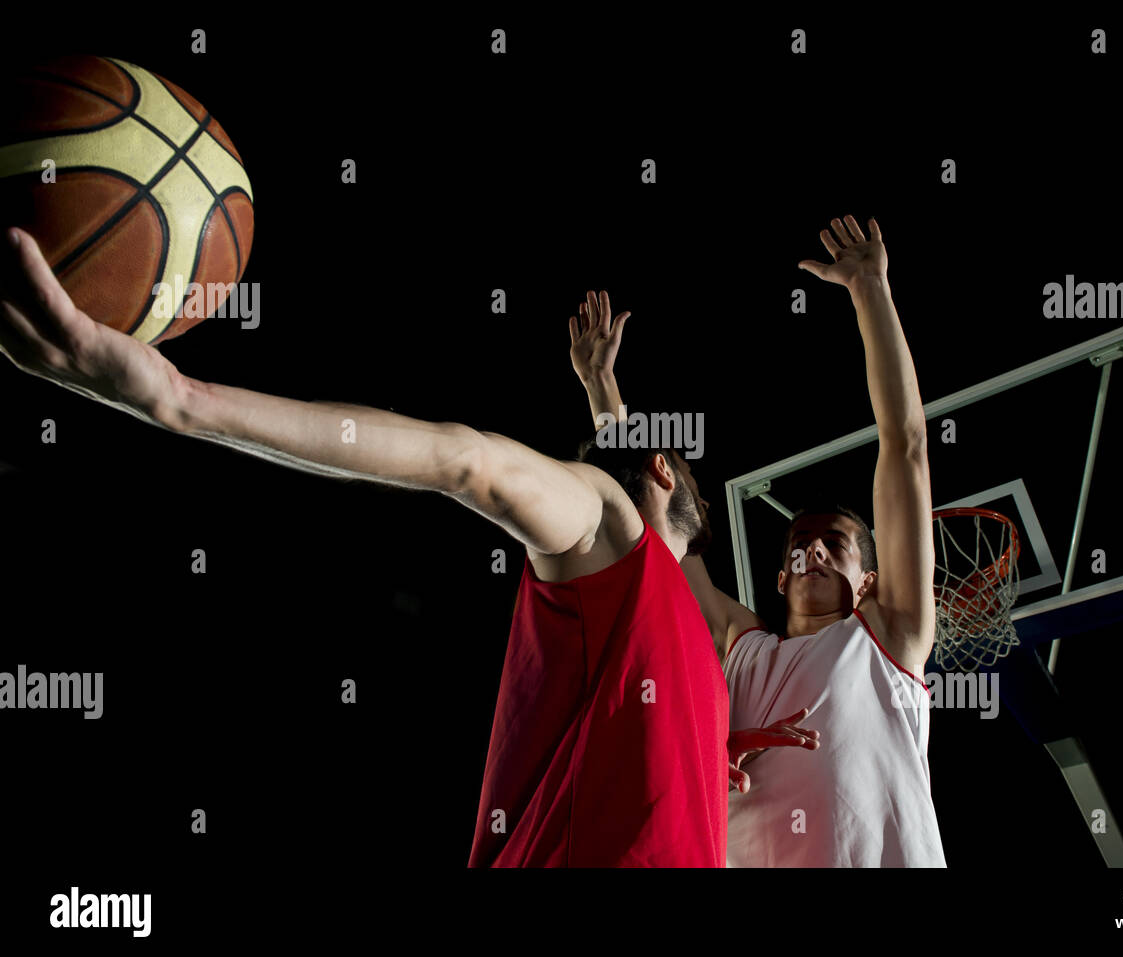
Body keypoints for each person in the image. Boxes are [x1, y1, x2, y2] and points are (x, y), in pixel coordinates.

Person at [0, 228, 806, 867]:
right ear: (664, 469)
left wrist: (705, 762)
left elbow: (639, 501)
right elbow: (467, 461)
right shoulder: (613, 537)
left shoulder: (677, 625)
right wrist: (182, 400)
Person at [568, 216, 946, 867]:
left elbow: (905, 447)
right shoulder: (743, 646)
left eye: (836, 543)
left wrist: (870, 290)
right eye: (801, 542)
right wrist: (605, 395)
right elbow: (654, 529)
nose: (815, 550)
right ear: (778, 580)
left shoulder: (890, 638)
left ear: (870, 583)